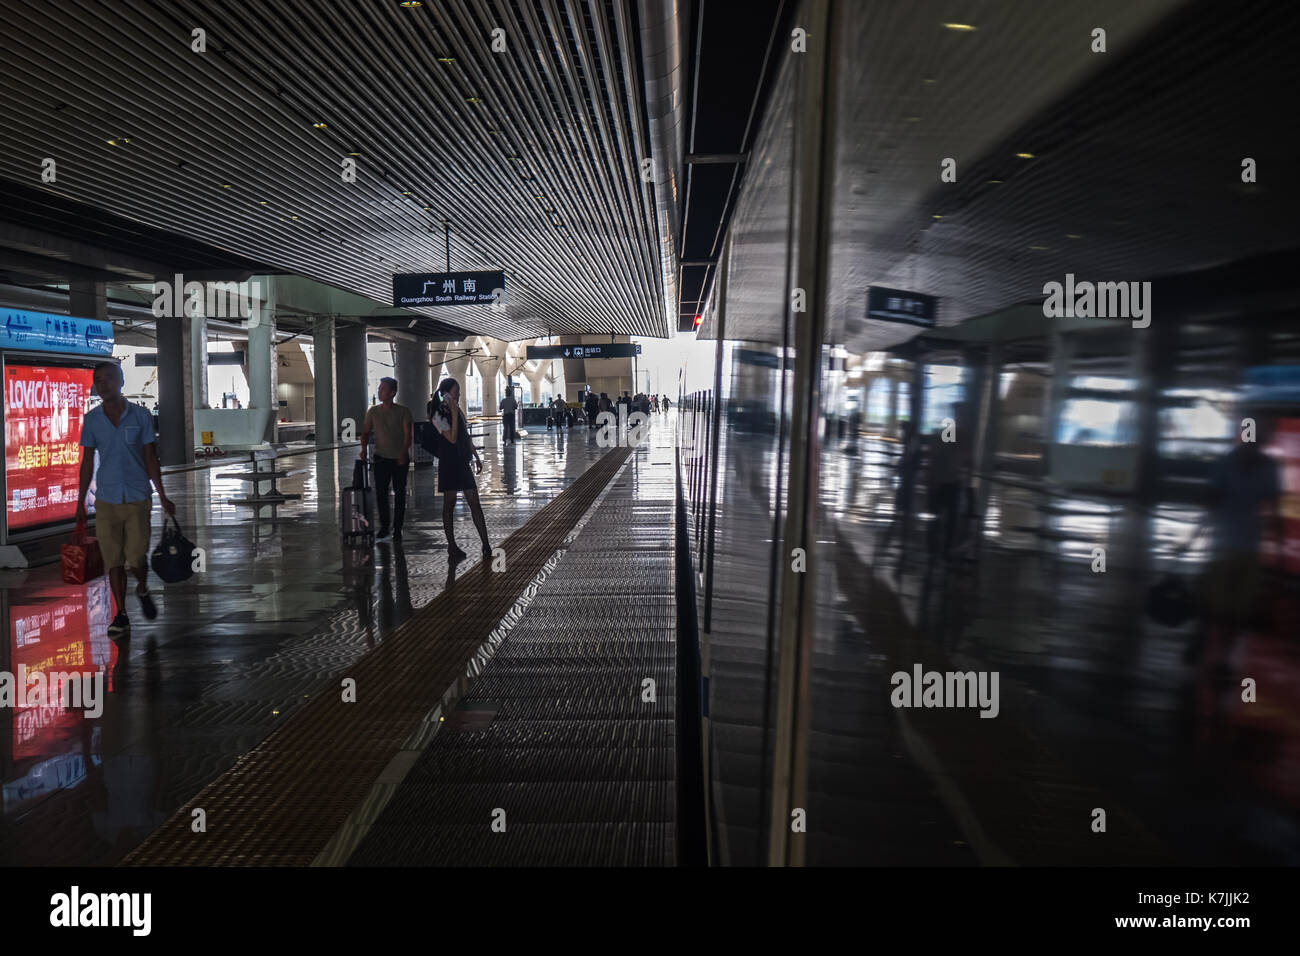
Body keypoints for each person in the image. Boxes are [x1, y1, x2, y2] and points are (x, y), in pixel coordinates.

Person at [75, 361, 176, 641]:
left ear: (120, 382)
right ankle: (121, 614)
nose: (103, 384)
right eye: (98, 380)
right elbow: (86, 463)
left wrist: (163, 494)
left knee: (136, 558)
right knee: (114, 561)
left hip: (137, 498)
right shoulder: (92, 419)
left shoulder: (140, 416)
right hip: (106, 499)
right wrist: (80, 501)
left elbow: (150, 458)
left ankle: (142, 587)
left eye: (108, 378)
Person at [430, 377, 492, 561]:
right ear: (446, 393)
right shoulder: (436, 416)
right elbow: (452, 438)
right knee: (449, 504)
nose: (459, 395)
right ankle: (452, 545)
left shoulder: (459, 412)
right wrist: (455, 414)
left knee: (474, 501)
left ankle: (486, 544)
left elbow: (464, 436)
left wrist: (476, 455)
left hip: (462, 463)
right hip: (449, 464)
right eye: (456, 392)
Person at [360, 376, 413, 540]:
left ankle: (397, 528)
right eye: (379, 388)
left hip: (399, 460)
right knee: (381, 494)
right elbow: (365, 432)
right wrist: (363, 450)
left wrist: (404, 453)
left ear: (392, 393)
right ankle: (384, 526)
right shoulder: (373, 412)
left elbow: (408, 435)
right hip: (381, 458)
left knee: (400, 494)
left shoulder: (403, 412)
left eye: (383, 389)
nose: (379, 391)